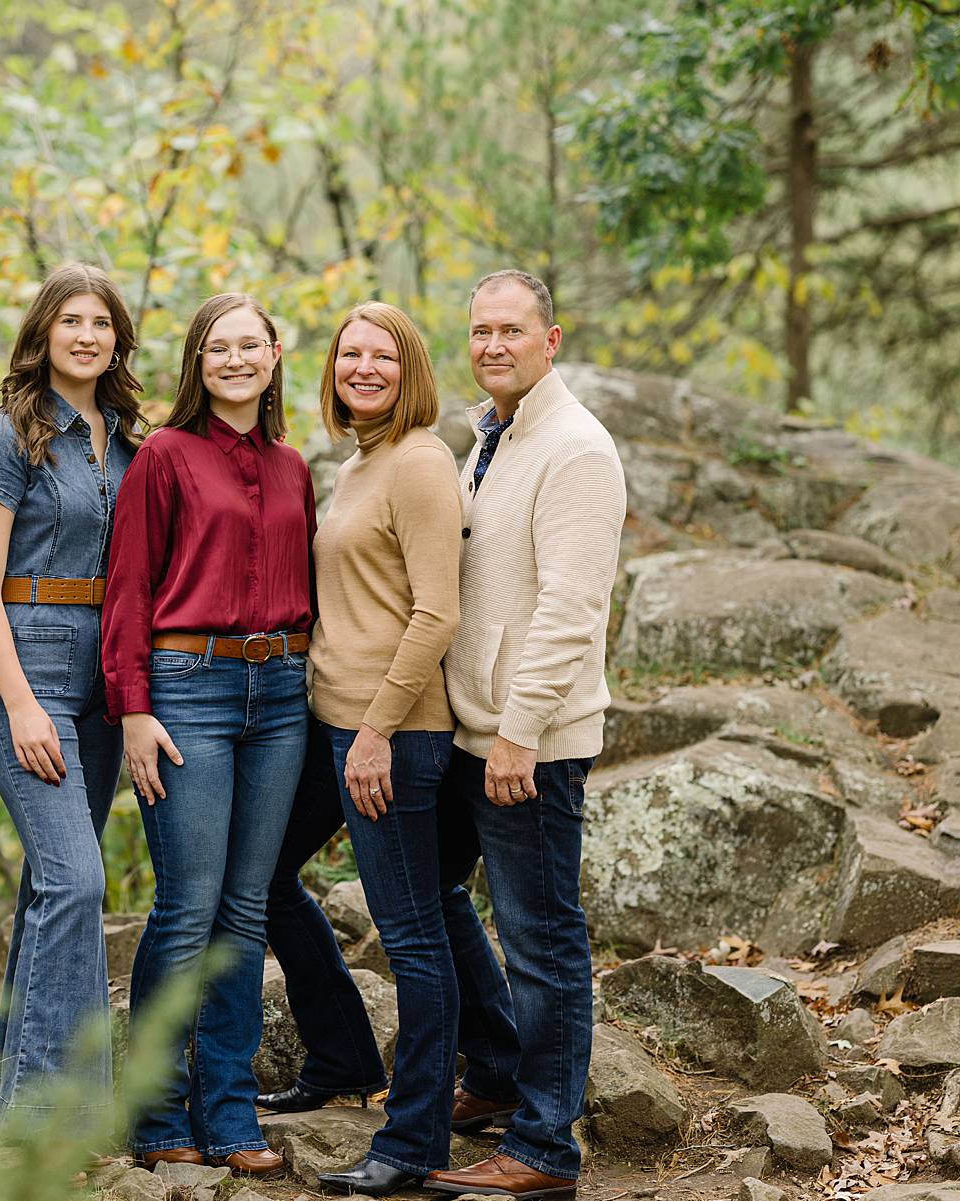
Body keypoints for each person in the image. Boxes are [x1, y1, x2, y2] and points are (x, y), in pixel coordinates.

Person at [422, 271, 626, 1201]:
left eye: (511, 330)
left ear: (551, 340)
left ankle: (544, 1148)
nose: (493, 345)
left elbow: (572, 608)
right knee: (425, 889)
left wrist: (520, 731)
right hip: (471, 730)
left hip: (527, 742)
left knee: (541, 942)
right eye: (480, 331)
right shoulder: (491, 437)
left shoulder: (576, 448)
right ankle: (500, 1066)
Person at [101, 293, 314, 1177]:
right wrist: (133, 706)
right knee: (189, 905)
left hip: (283, 694)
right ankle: (155, 1113)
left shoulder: (294, 466)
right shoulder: (164, 455)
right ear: (197, 361)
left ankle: (227, 1112)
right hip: (188, 688)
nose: (235, 359)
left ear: (274, 355)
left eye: (249, 344)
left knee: (246, 907)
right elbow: (127, 587)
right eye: (217, 347)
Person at [271, 302, 468, 1196]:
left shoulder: (420, 461)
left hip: (391, 732)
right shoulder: (358, 462)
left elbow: (438, 612)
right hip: (332, 720)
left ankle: (415, 1140)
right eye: (349, 353)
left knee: (413, 936)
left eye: (382, 355)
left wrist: (379, 731)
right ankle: (343, 1053)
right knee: (264, 877)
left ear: (409, 367)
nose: (363, 367)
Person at [0, 263, 143, 1134]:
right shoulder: (12, 432)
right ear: (43, 333)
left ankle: (14, 1096)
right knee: (77, 879)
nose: (86, 335)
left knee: (51, 880)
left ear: (118, 340)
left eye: (100, 323)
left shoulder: (130, 439)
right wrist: (21, 702)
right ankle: (51, 1115)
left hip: (106, 674)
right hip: (28, 667)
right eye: (70, 320)